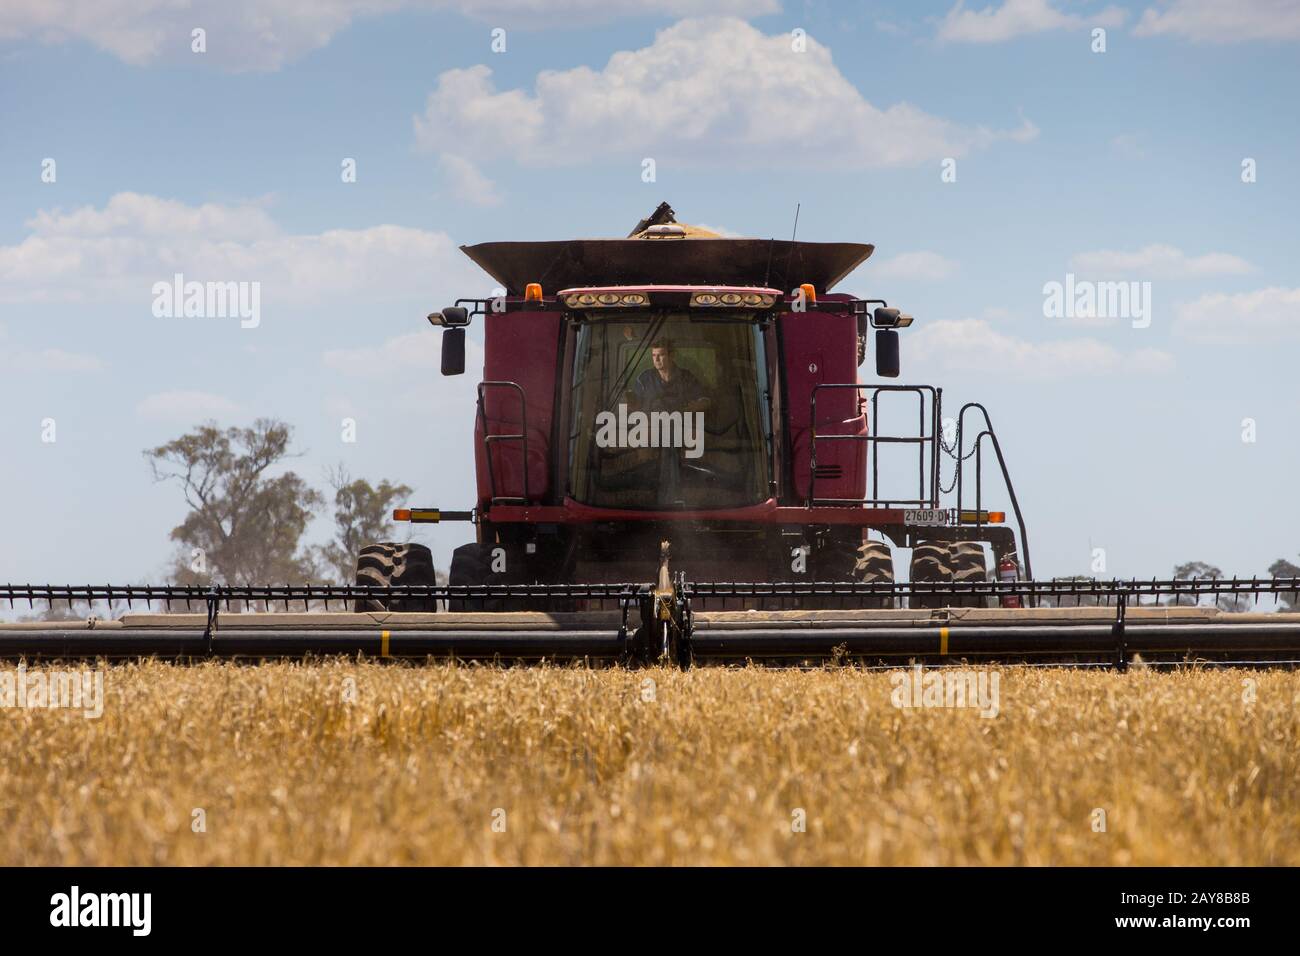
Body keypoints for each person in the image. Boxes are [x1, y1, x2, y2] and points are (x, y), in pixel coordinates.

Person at [632, 340, 711, 413]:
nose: (656, 359)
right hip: (652, 423)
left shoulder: (687, 377)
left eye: (661, 355)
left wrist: (699, 405)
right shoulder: (643, 379)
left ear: (671, 356)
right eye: (654, 355)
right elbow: (634, 406)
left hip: (682, 422)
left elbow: (705, 399)